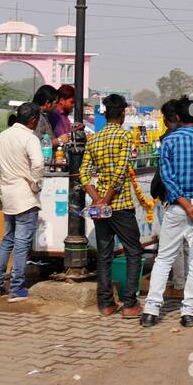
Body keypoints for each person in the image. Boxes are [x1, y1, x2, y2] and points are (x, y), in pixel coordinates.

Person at [140, 99, 193, 328]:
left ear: (178, 116)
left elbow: (167, 178)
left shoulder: (169, 141)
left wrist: (187, 206)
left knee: (164, 258)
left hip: (177, 208)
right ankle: (188, 312)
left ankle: (151, 310)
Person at [79, 93, 150, 318]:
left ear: (104, 113)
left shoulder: (95, 139)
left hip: (101, 207)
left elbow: (83, 173)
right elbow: (120, 174)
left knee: (105, 254)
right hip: (120, 205)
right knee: (133, 251)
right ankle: (129, 303)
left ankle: (106, 303)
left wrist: (97, 199)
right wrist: (106, 201)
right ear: (122, 114)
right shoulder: (124, 137)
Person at [0, 102, 45, 301]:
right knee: (21, 244)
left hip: (8, 195)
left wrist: (0, 189)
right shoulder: (30, 138)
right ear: (33, 121)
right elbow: (38, 164)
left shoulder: (1, 137)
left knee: (7, 240)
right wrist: (35, 183)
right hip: (25, 197)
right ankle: (16, 287)